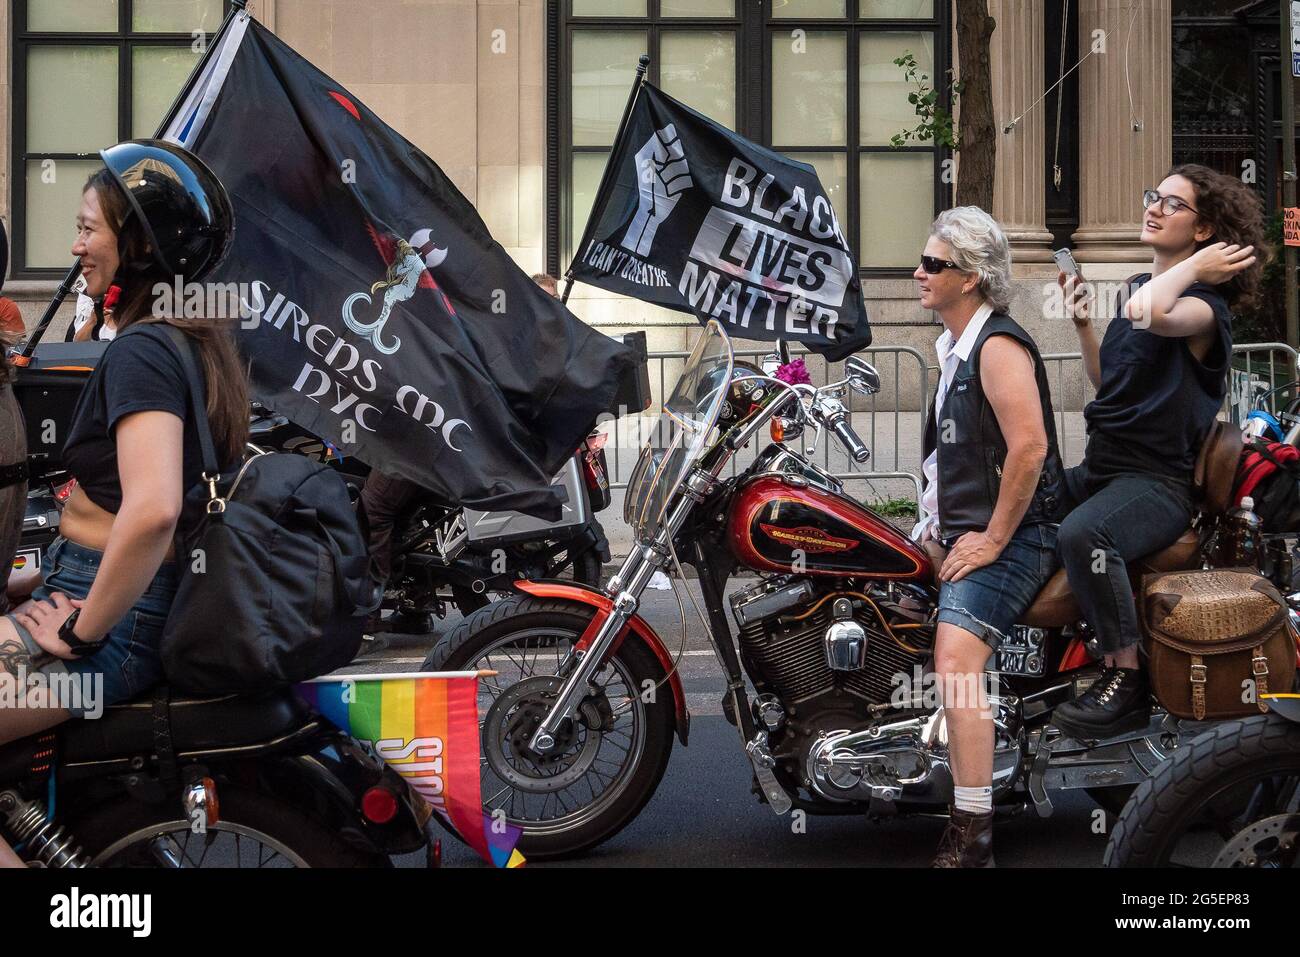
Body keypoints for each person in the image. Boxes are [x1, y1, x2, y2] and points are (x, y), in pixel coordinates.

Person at [0, 140, 245, 868]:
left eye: (87, 229)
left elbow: (154, 509)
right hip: (105, 597)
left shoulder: (142, 350)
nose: (76, 248)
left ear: (138, 243)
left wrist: (79, 629)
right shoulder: (195, 341)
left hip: (110, 623)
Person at [1050, 164, 1264, 739]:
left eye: (1173, 204)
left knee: (1084, 534)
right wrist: (1083, 326)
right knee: (1014, 501)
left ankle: (1127, 677)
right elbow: (1108, 383)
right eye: (1154, 197)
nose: (1154, 208)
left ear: (1204, 232)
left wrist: (1194, 267)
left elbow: (1151, 313)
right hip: (1103, 466)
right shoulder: (1134, 295)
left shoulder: (1203, 310)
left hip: (1156, 483)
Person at [912, 207, 1063, 867]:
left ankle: (973, 834)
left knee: (955, 660)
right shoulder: (954, 348)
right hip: (969, 528)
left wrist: (994, 539)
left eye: (933, 264)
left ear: (971, 277)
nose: (919, 272)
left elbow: (1028, 449)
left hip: (1018, 532)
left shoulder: (997, 346)